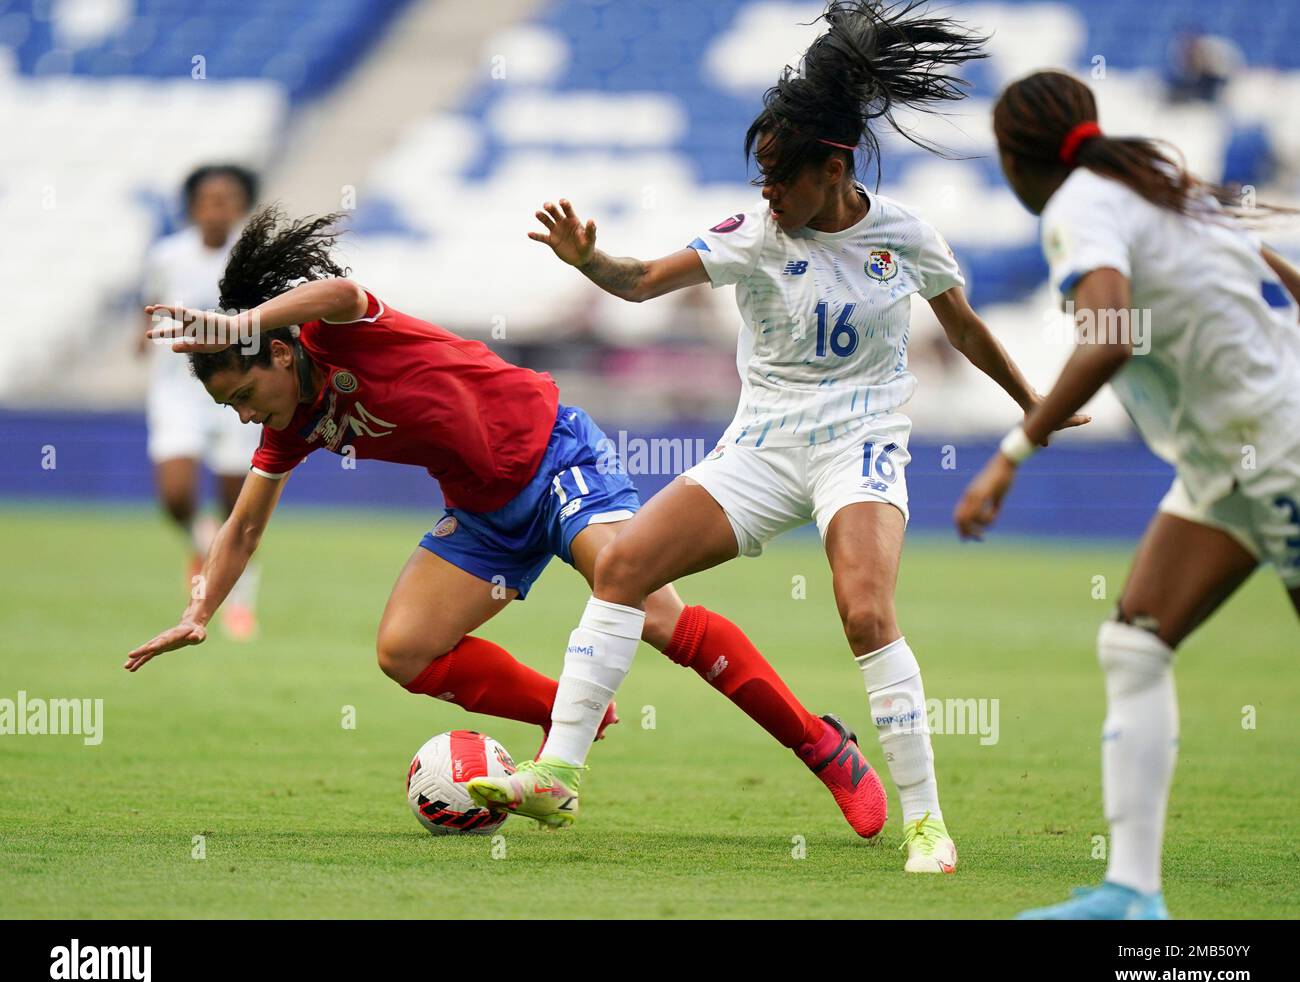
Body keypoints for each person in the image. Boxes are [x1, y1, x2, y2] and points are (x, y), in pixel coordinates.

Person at [467, 0, 1085, 874]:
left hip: (859, 440)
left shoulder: (904, 235)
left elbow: (965, 328)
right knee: (623, 567)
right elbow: (641, 280)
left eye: (779, 179)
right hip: (762, 445)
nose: (766, 194)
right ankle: (560, 771)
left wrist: (1032, 401)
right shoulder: (757, 235)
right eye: (759, 177)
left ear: (833, 167)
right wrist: (588, 262)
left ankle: (927, 824)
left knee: (865, 610)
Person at [123, 206, 889, 838]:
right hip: (484, 511)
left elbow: (344, 289)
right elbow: (245, 527)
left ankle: (825, 748)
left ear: (281, 355)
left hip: (556, 457)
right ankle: (576, 715)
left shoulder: (341, 333)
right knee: (405, 649)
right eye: (231, 410)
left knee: (653, 614)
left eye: (243, 394)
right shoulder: (290, 424)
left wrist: (236, 322)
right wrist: (199, 610)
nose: (245, 414)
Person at [953, 69, 1300, 918]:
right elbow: (1280, 276)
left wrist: (1010, 452)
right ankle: (1132, 893)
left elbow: (1107, 333)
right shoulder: (1157, 189)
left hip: (1280, 451)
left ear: (1012, 157)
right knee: (1136, 641)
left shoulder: (1082, 204)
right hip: (1230, 463)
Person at [139, 165, 263, 639]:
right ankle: (201, 541)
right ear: (192, 206)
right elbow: (149, 302)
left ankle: (240, 602)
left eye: (228, 199)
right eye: (209, 199)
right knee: (175, 495)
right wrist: (140, 336)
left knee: (240, 507)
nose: (218, 208)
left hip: (236, 392)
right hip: (178, 390)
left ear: (241, 205)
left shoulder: (248, 260)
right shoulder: (168, 256)